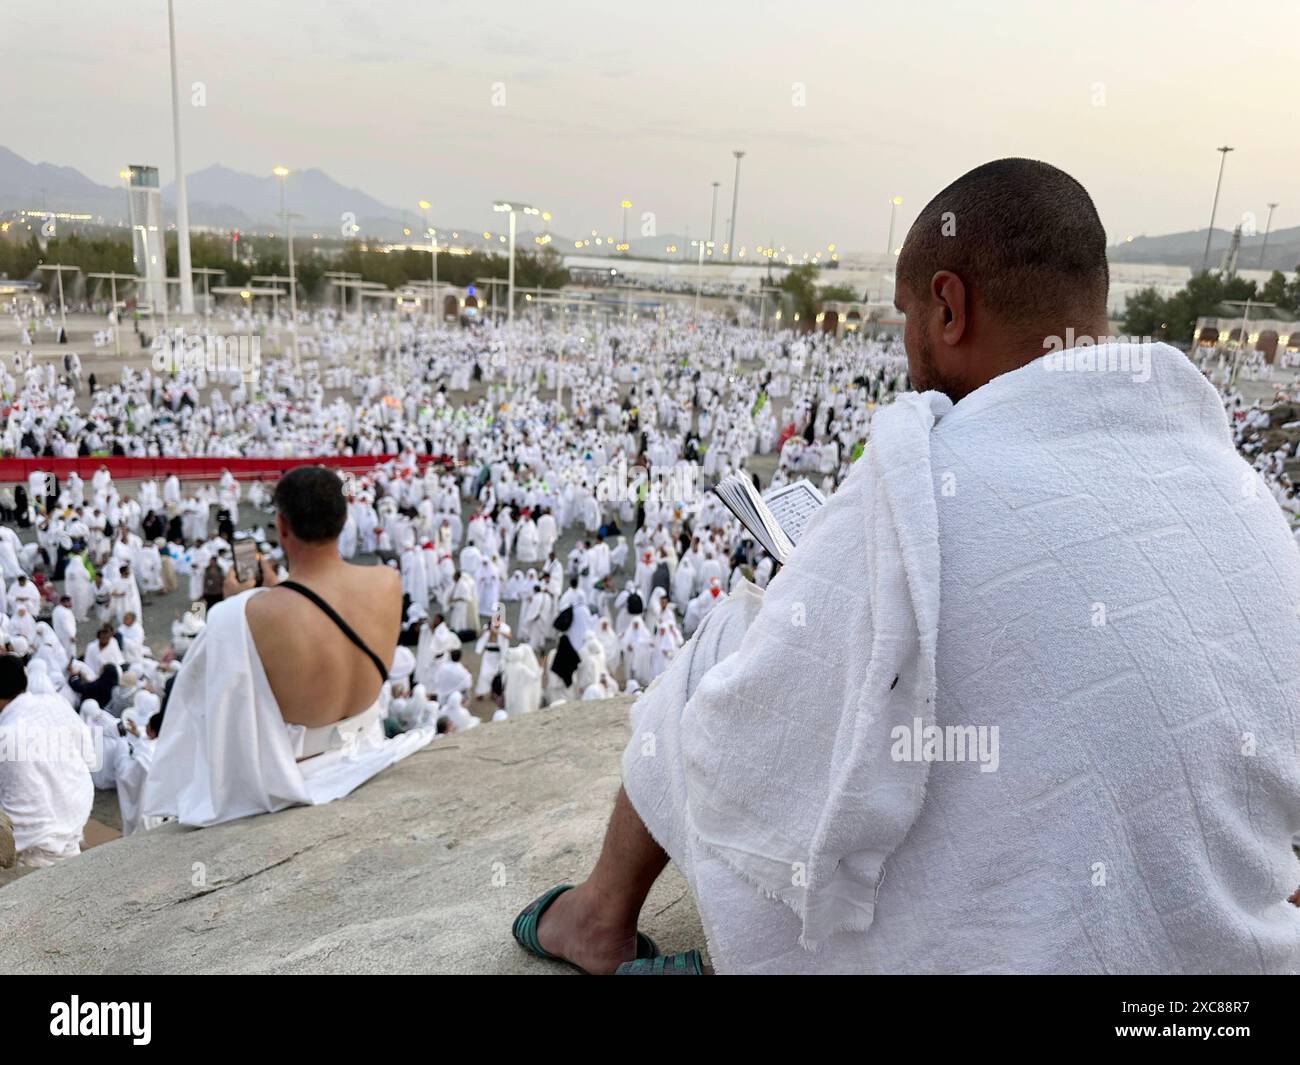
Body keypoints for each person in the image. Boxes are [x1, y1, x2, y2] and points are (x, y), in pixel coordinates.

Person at [509, 159, 1300, 975]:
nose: (905, 342)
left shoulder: (925, 475)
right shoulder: (1234, 489)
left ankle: (598, 918)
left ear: (949, 305)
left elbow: (747, 728)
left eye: (906, 313)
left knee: (726, 646)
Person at [144, 465, 432, 827]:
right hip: (366, 748)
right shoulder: (387, 582)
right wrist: (271, 592)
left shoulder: (242, 615)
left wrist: (238, 604)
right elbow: (318, 612)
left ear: (281, 527)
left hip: (297, 774)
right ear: (344, 521)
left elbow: (205, 711)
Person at [0, 654, 95, 869]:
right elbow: (88, 756)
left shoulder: (8, 735)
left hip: (36, 854)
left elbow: (22, 815)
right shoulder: (55, 703)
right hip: (74, 824)